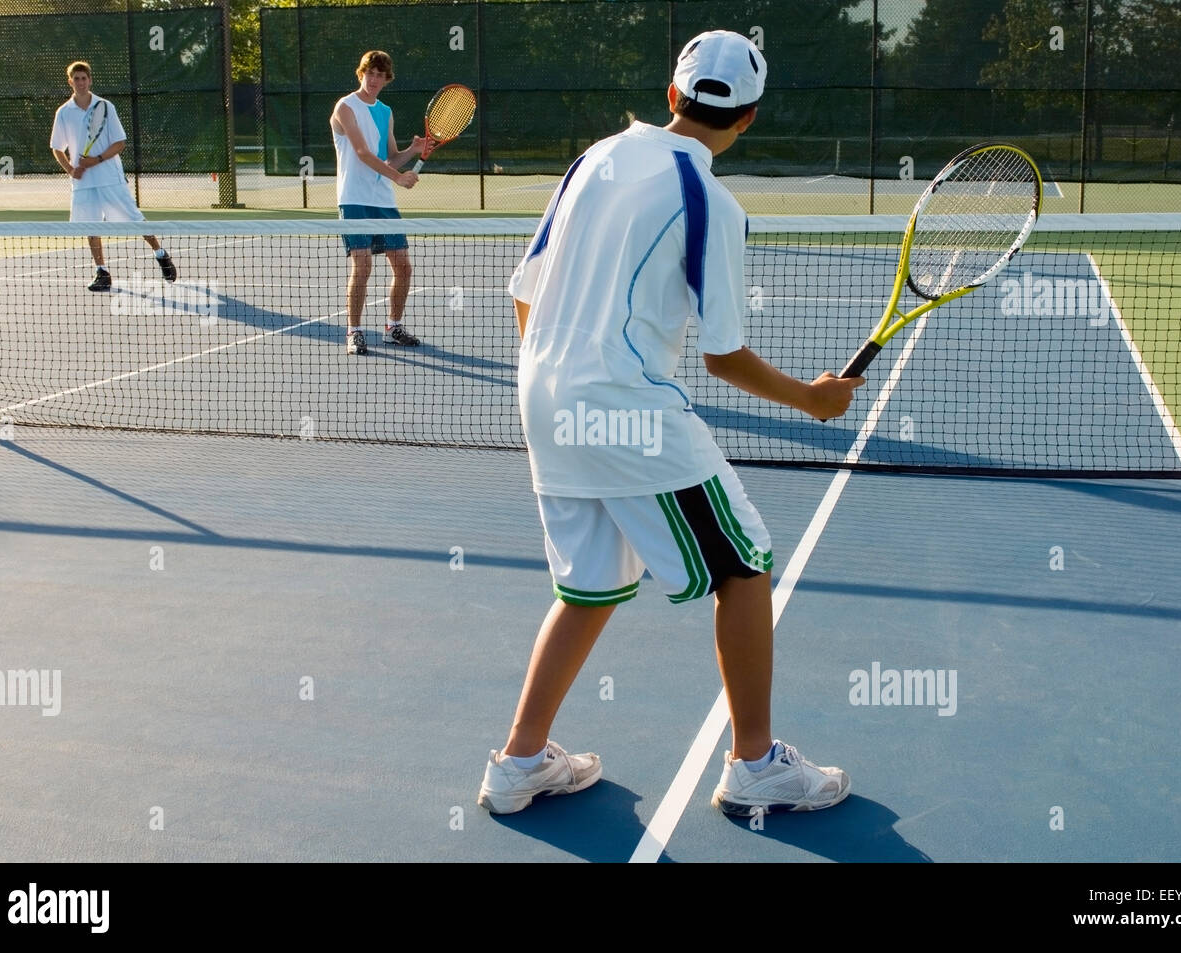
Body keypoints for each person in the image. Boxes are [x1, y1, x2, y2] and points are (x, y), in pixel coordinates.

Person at [478, 31, 866, 817]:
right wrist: (813, 400)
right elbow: (723, 356)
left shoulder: (597, 157)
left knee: (591, 587)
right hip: (624, 408)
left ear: (670, 97)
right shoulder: (713, 203)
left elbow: (527, 287)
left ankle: (519, 762)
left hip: (541, 392)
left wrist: (568, 384)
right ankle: (755, 763)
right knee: (745, 563)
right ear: (749, 120)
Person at [330, 50, 428, 355]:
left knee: (403, 266)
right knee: (363, 266)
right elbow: (361, 152)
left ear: (387, 79)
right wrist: (398, 178)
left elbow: (390, 157)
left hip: (382, 200)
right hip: (354, 199)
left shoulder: (385, 111)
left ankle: (393, 327)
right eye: (369, 73)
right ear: (361, 74)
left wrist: (413, 150)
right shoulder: (345, 107)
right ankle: (354, 331)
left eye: (380, 75)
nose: (374, 79)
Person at [49, 61, 176, 292]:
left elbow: (119, 143)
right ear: (70, 82)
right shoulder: (64, 112)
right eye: (76, 79)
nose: (80, 82)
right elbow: (57, 147)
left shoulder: (106, 107)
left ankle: (160, 253)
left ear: (90, 80)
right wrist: (70, 169)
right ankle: (102, 272)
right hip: (83, 183)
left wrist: (95, 160)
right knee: (91, 227)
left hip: (110, 177)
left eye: (84, 78)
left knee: (135, 220)